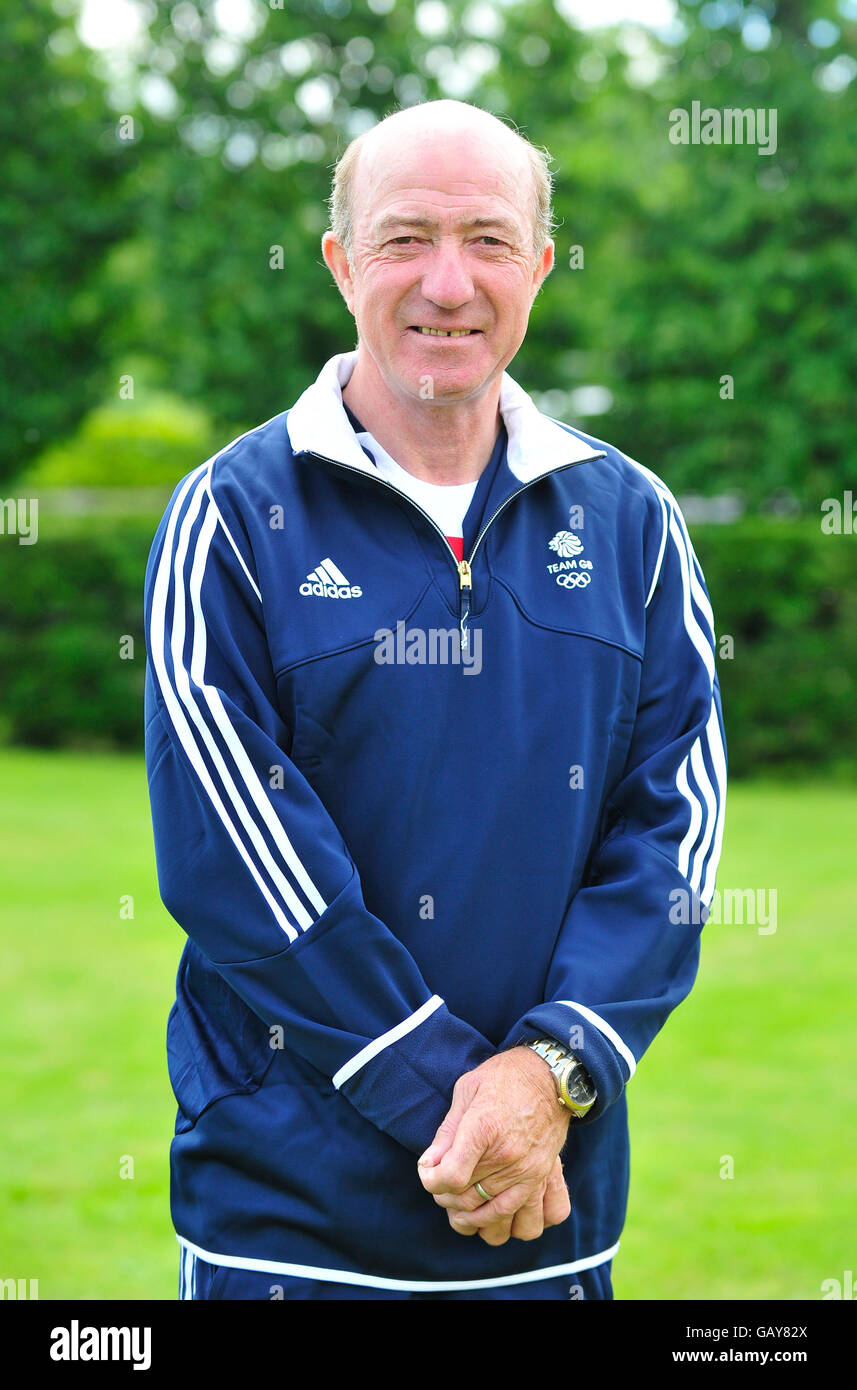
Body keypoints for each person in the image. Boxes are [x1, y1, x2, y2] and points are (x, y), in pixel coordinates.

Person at [144, 99, 726, 1301]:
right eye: (405, 238)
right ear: (341, 262)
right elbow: (235, 857)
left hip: (544, 1218)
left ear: (541, 266)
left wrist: (552, 1071)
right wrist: (463, 1105)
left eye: (488, 240)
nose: (447, 284)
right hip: (288, 1223)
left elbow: (673, 829)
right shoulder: (229, 517)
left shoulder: (634, 523)